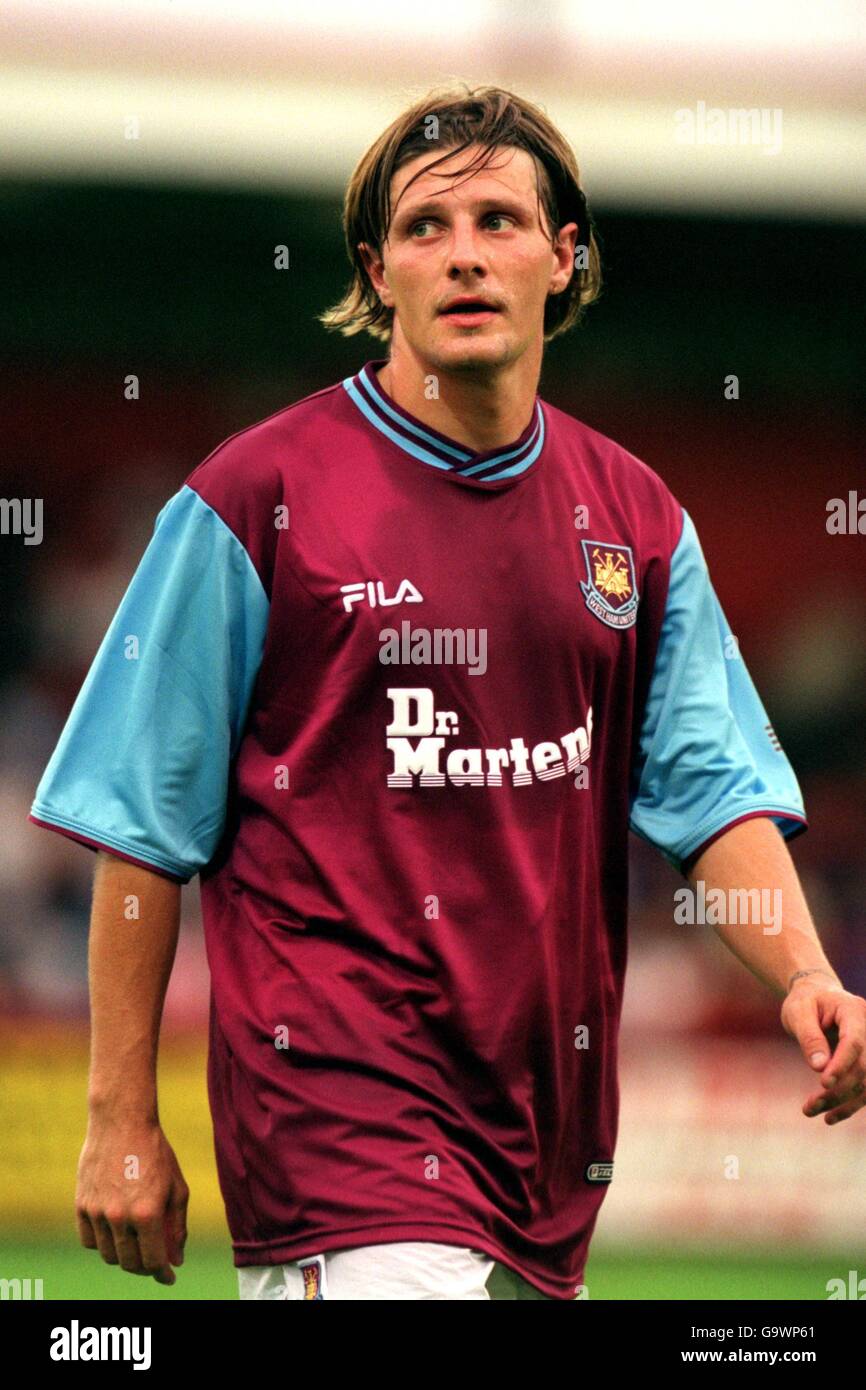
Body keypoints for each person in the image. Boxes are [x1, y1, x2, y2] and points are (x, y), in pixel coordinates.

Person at [28, 83, 866, 1302]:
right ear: (377, 273)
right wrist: (117, 1119)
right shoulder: (249, 500)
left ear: (561, 256)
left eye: (497, 221)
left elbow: (712, 790)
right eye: (425, 228)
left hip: (542, 1136)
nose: (463, 255)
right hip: (335, 1119)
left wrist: (803, 976)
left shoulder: (633, 516)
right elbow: (135, 828)